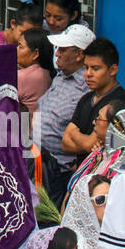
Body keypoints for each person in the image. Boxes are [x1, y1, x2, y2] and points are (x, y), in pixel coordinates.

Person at [38, 22, 93, 206]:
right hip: (36, 161)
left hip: (58, 172)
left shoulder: (86, 88)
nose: (57, 54)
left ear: (79, 55)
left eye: (63, 50)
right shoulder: (60, 77)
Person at [61, 37, 125, 167]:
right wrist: (86, 143)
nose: (88, 74)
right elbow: (65, 143)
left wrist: (74, 133)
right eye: (86, 68)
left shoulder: (121, 103)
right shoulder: (86, 98)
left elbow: (91, 145)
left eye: (95, 68)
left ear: (113, 70)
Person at [16, 28, 53, 111]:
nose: (16, 49)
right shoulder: (47, 73)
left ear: (35, 54)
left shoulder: (22, 76)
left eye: (20, 47)